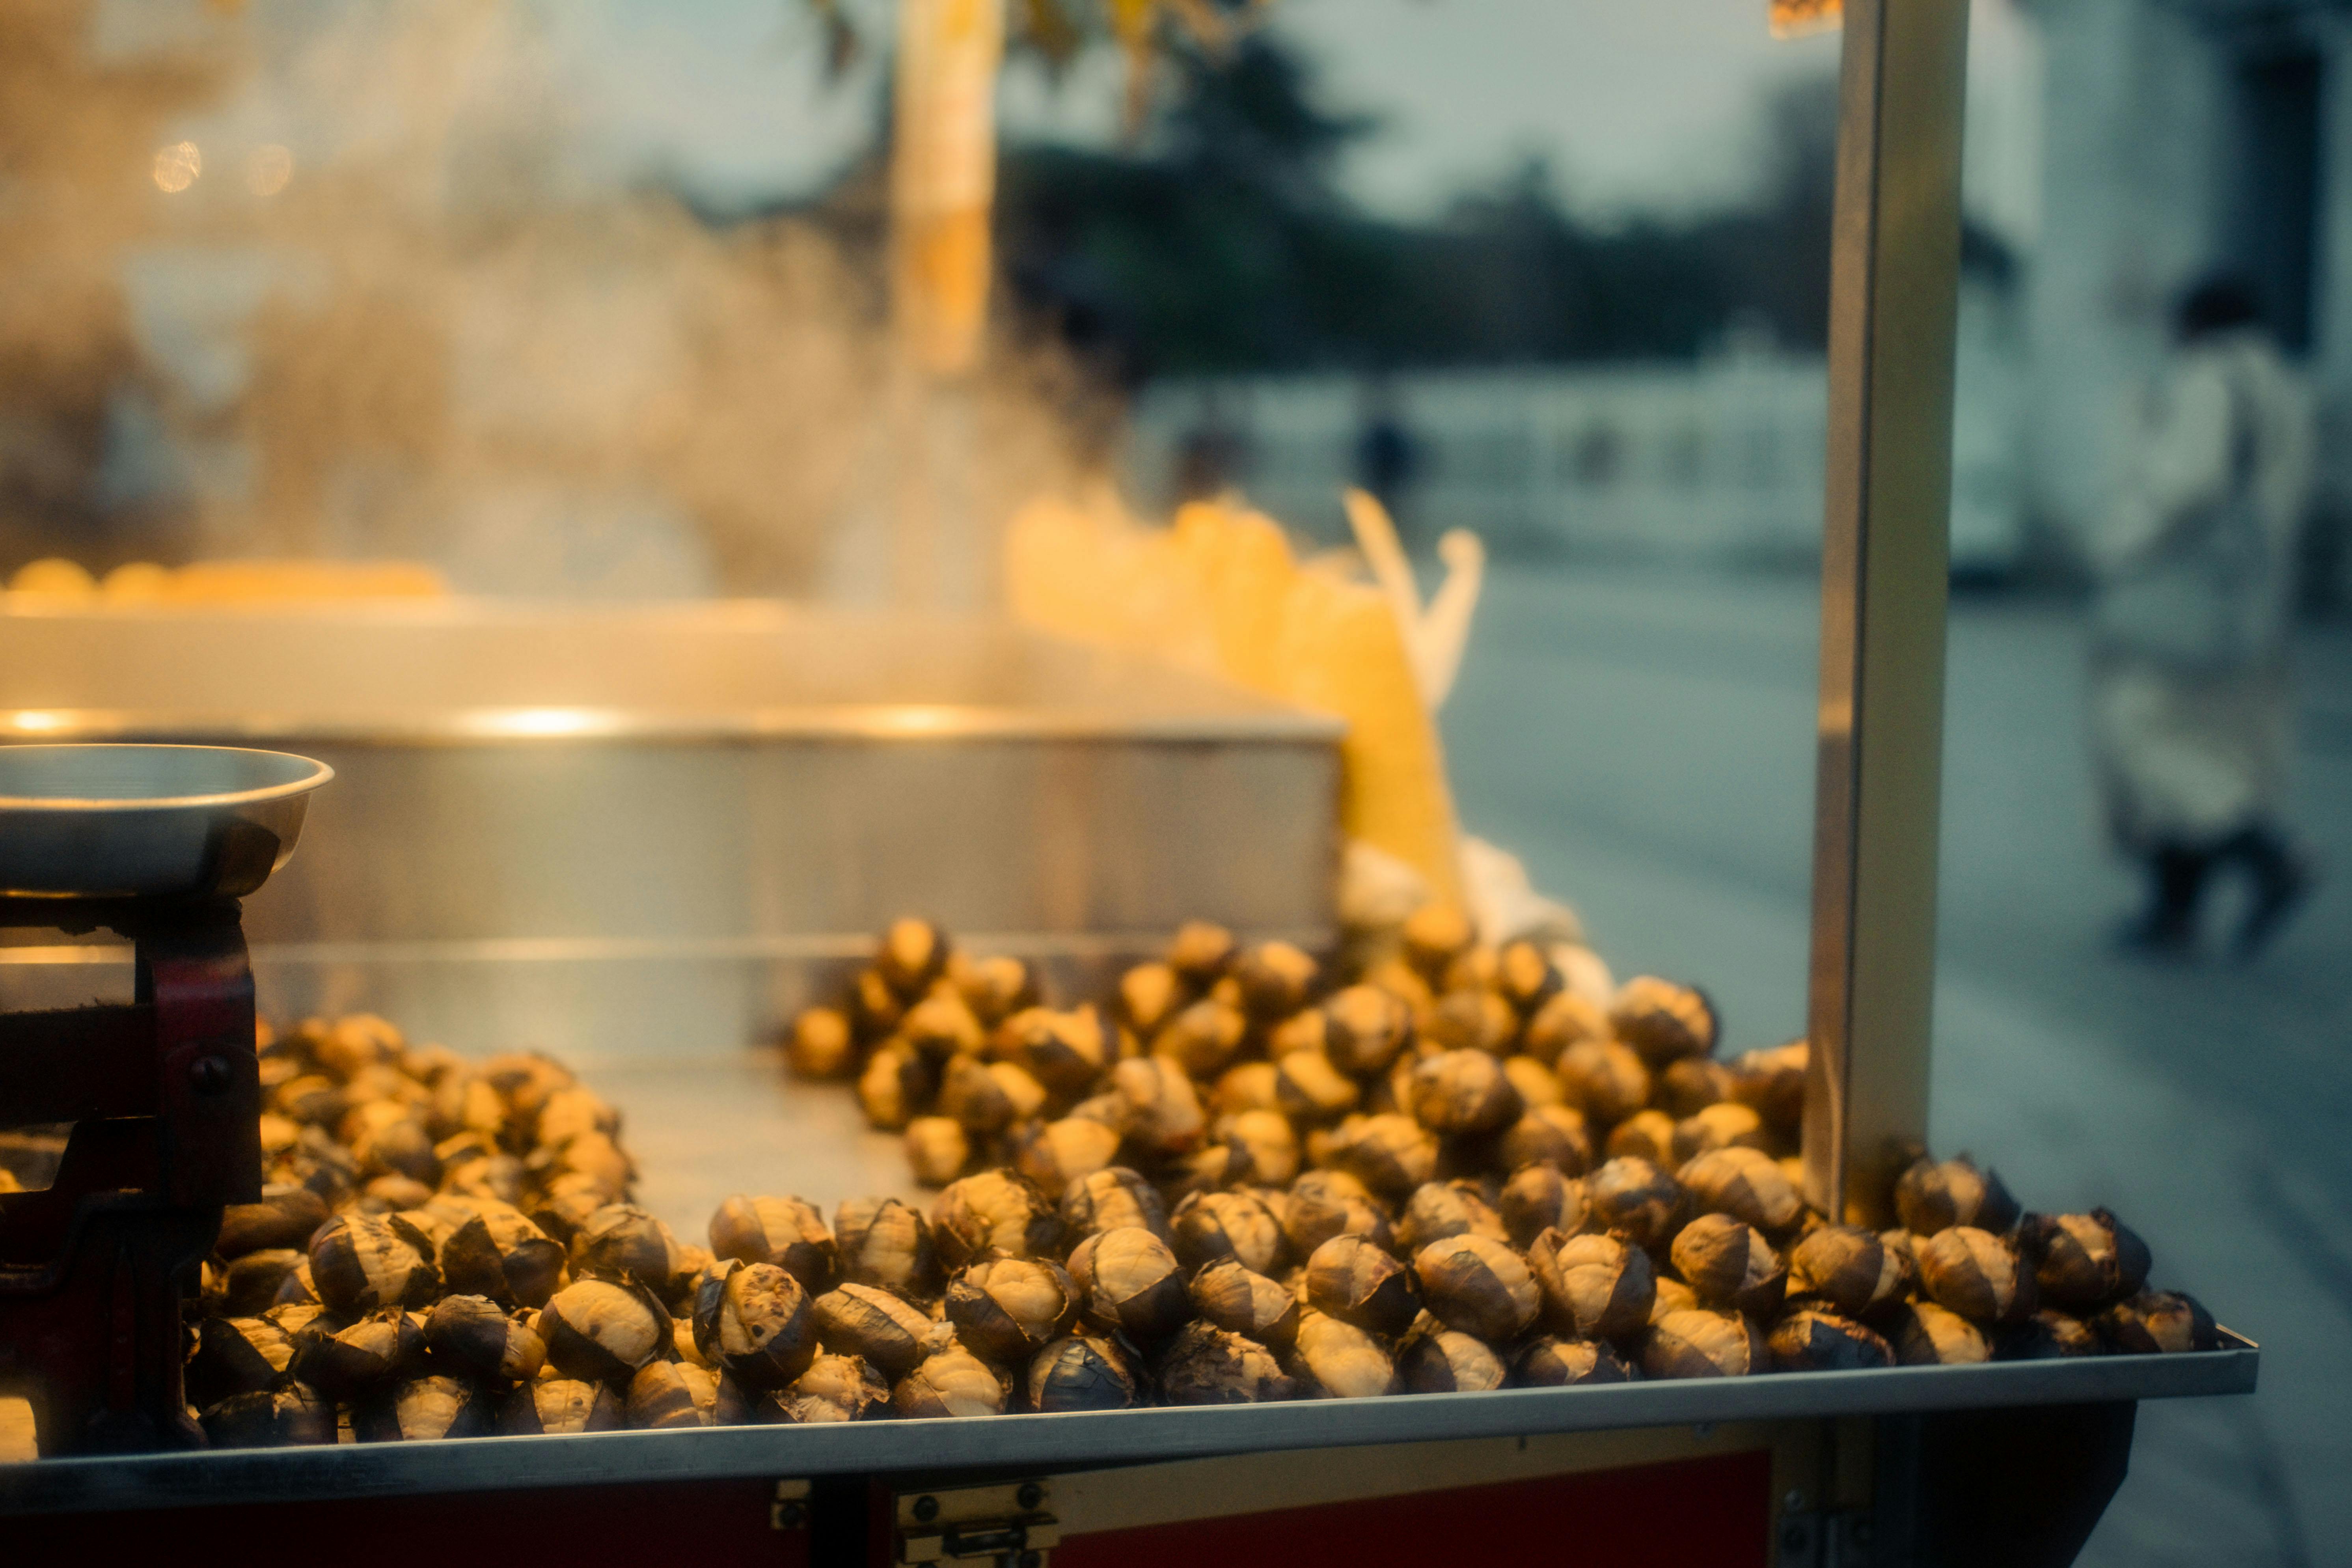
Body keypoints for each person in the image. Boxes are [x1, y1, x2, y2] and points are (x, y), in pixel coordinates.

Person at [2088, 277, 2317, 958]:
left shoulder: (2210, 379)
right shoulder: (2283, 385)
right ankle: (2172, 913)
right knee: (2216, 746)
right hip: (2249, 604)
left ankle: (2269, 855)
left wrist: (2118, 541)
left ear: (2194, 323)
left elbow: (2188, 480)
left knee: (2139, 735)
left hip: (2181, 601)